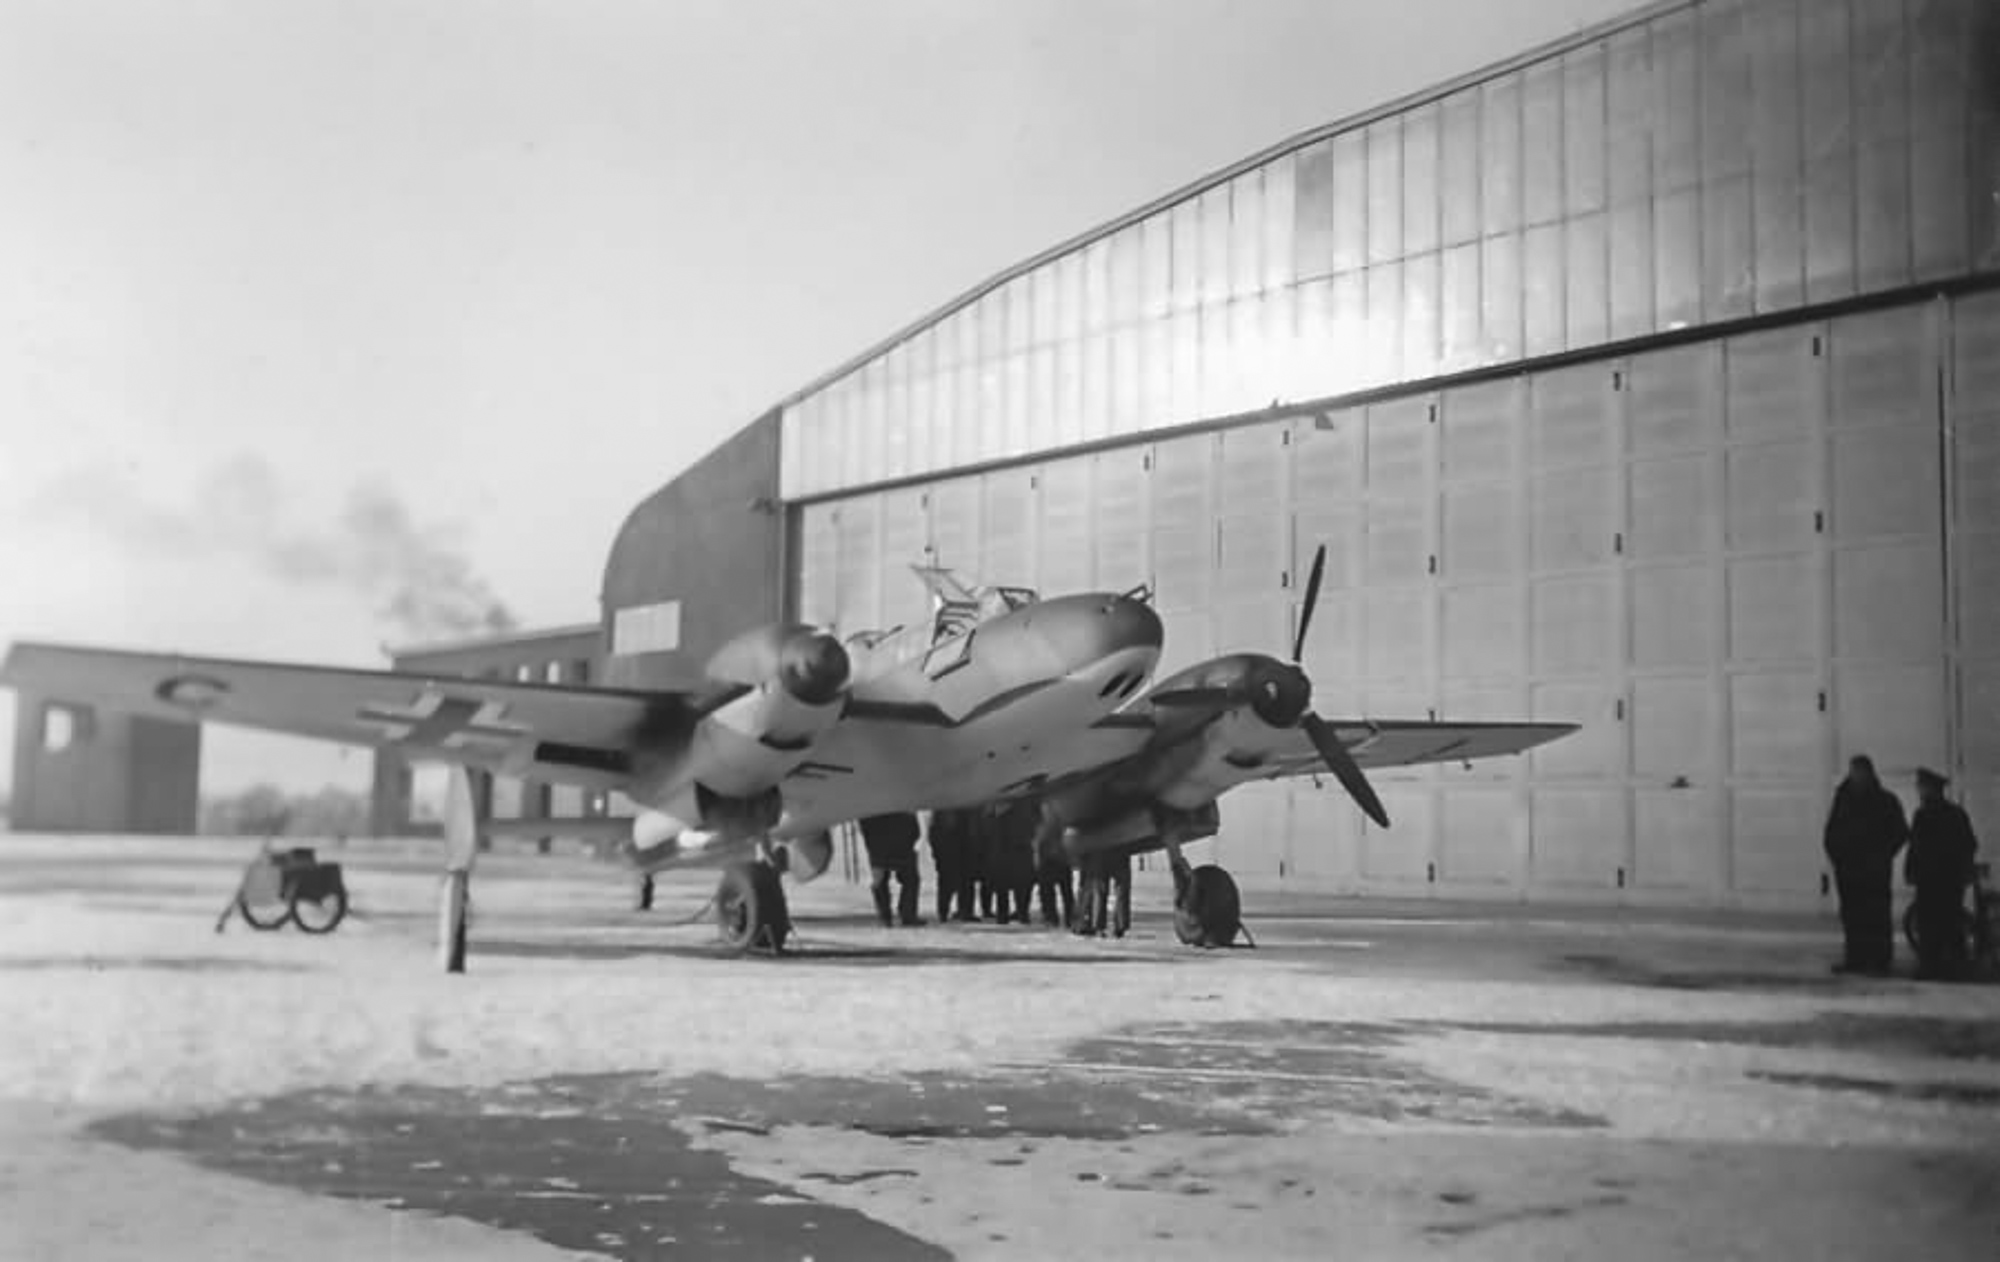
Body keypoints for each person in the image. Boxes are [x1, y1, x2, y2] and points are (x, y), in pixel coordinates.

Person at [1822, 754, 1908, 975]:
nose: (1857, 776)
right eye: (1854, 772)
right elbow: (1831, 833)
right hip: (1849, 871)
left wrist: (1883, 855)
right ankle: (1856, 958)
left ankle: (1879, 960)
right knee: (1853, 917)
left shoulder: (1885, 801)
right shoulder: (1843, 800)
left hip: (1874, 871)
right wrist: (1839, 858)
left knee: (1876, 916)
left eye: (1860, 772)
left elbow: (1899, 832)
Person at [1907, 768, 1980, 981]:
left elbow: (1967, 845)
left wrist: (1912, 869)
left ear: (1932, 789)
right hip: (1943, 878)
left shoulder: (1930, 815)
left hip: (1939, 878)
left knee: (1937, 923)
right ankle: (1948, 966)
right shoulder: (1947, 814)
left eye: (1922, 786)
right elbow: (1916, 846)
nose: (1919, 790)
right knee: (1944, 922)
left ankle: (1937, 966)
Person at [858, 811, 923, 927]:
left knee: (880, 880)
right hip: (901, 842)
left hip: (877, 844)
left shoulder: (868, 808)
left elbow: (863, 826)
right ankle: (907, 914)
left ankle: (885, 916)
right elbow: (914, 828)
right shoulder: (901, 805)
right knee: (911, 879)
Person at [928, 807, 978, 923]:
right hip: (953, 851)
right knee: (955, 882)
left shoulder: (943, 811)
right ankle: (956, 911)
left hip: (957, 851)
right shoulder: (957, 811)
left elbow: (933, 833)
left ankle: (951, 912)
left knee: (956, 882)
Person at [1031, 806, 1075, 929]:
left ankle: (1051, 917)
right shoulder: (1063, 816)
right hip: (1060, 858)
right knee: (1065, 891)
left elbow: (1038, 841)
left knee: (1048, 891)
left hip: (1049, 859)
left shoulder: (1041, 822)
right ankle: (1069, 917)